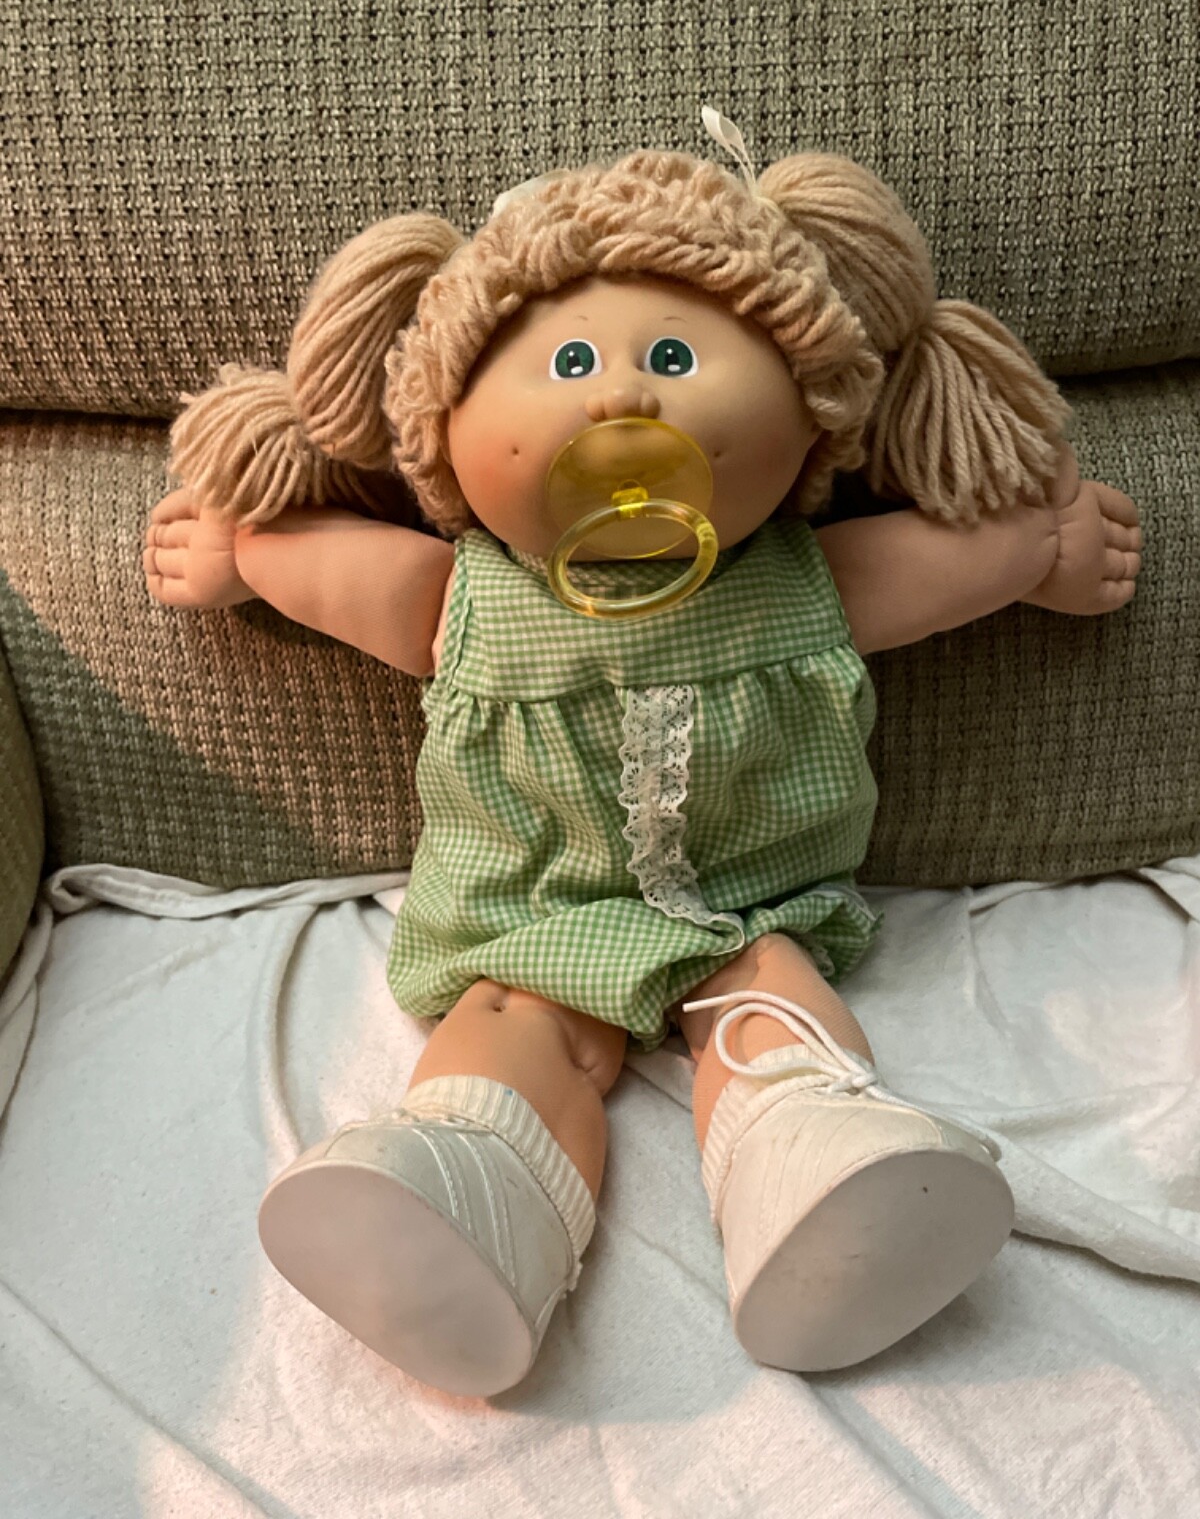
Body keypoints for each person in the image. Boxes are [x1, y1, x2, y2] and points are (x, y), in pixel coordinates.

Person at [143, 124, 1142, 1398]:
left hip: (753, 905)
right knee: (514, 1021)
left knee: (769, 995)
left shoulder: (801, 579)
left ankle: (813, 1170)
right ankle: (469, 1194)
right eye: (568, 363)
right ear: (447, 433)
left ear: (808, 409)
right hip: (532, 918)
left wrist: (1035, 551)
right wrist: (249, 553)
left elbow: (937, 570)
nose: (624, 402)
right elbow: (354, 577)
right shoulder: (471, 596)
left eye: (674, 358)